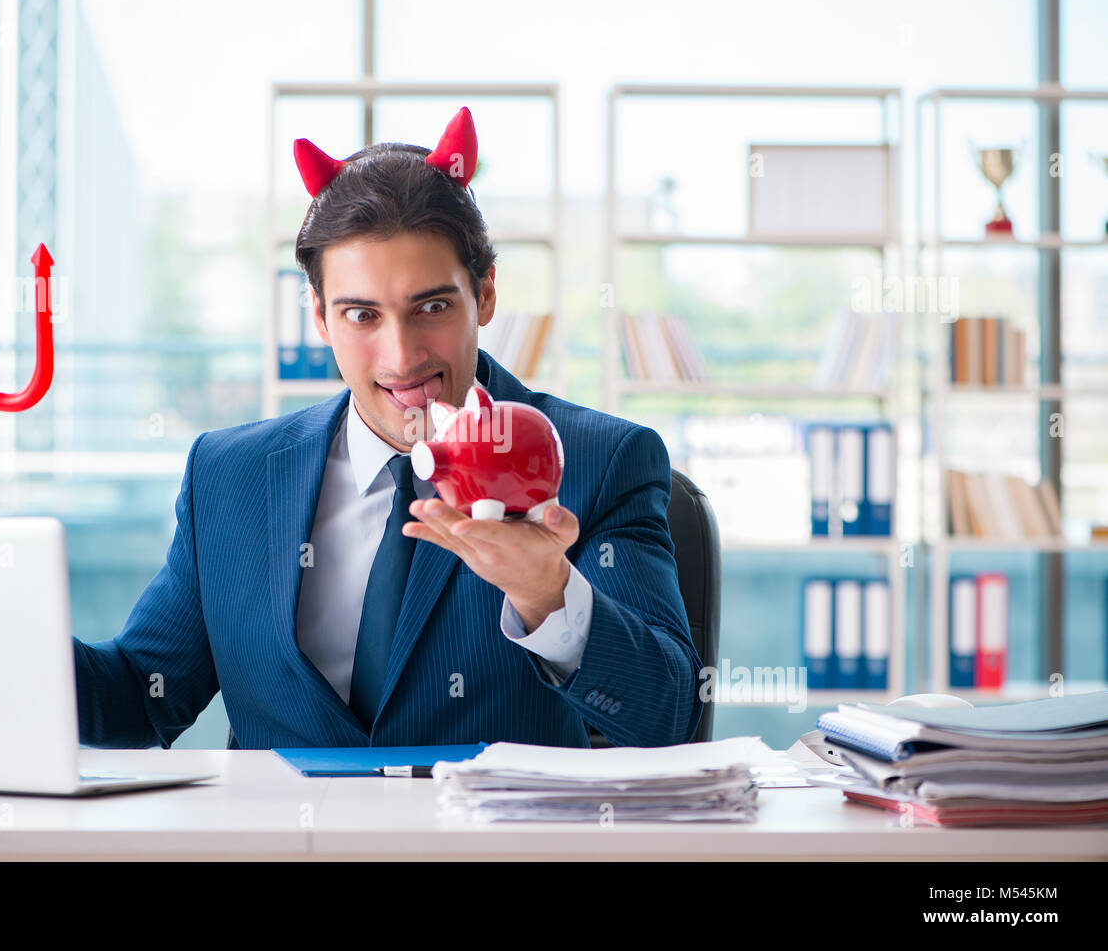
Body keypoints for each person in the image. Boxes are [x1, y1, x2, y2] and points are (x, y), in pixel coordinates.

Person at [73, 107, 702, 749]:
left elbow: (668, 715)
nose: (402, 357)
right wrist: (0, 635)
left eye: (431, 307)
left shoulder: (600, 461)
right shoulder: (230, 476)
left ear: (484, 294)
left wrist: (549, 595)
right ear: (319, 316)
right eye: (362, 315)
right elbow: (140, 696)